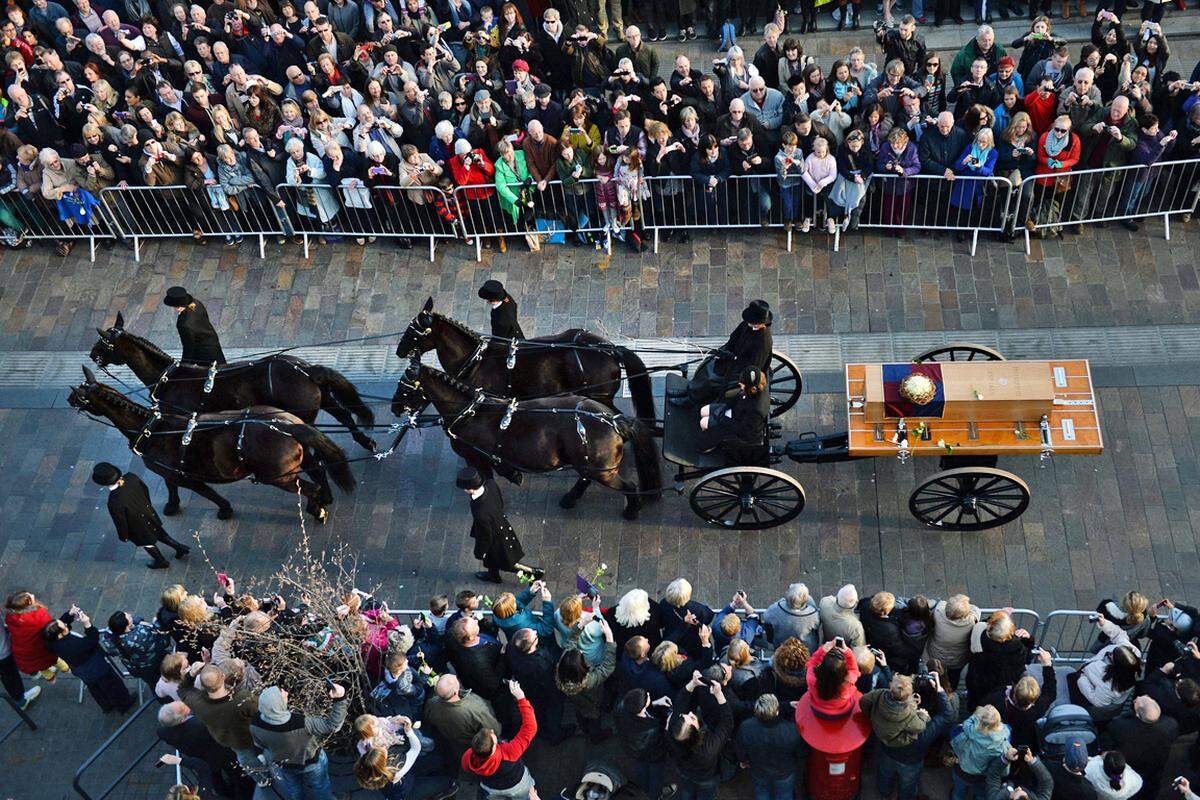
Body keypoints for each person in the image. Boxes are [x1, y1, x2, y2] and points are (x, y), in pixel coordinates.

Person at [250, 682, 349, 800]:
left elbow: (260, 744)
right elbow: (332, 726)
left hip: (284, 764)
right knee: (320, 787)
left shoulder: (255, 724)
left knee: (293, 788)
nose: (286, 693)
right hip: (310, 763)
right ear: (278, 704)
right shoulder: (302, 723)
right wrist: (340, 698)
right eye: (283, 694)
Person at [668, 300, 773, 408]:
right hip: (730, 358)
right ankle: (690, 389)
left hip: (739, 371)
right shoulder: (747, 325)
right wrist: (724, 352)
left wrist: (733, 360)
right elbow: (733, 338)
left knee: (711, 378)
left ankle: (692, 400)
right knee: (707, 365)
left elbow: (752, 366)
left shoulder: (763, 343)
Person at [92, 462, 190, 569]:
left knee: (147, 543)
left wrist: (124, 536)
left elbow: (120, 521)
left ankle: (161, 561)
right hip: (149, 513)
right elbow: (145, 491)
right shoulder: (131, 477)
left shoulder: (114, 501)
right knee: (160, 533)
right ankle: (179, 548)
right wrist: (147, 505)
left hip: (137, 525)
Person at [455, 468, 543, 584]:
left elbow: (486, 536)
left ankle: (533, 572)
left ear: (469, 489)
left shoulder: (480, 512)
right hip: (501, 524)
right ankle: (494, 576)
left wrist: (480, 552)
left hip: (496, 539)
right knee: (493, 560)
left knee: (505, 562)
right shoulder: (491, 484)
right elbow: (500, 503)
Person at [43, 605, 134, 713]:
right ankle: (124, 704)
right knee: (113, 685)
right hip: (97, 669)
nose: (66, 625)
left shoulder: (50, 641)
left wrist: (70, 614)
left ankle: (107, 706)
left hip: (80, 670)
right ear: (59, 635)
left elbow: (60, 625)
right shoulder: (75, 644)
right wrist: (87, 625)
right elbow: (92, 639)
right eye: (65, 627)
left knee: (95, 688)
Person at [461, 679, 539, 800]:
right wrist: (521, 699)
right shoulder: (509, 753)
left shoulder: (469, 756)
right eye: (493, 737)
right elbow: (530, 728)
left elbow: (466, 767)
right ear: (493, 748)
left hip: (491, 788)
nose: (493, 732)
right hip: (517, 786)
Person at [668, 670, 735, 800]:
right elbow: (727, 723)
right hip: (706, 778)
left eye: (685, 715)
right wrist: (719, 694)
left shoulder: (674, 733)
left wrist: (692, 684)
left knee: (686, 792)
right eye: (692, 719)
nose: (691, 714)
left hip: (684, 771)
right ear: (695, 734)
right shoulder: (708, 748)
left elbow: (680, 704)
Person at [736, 693, 803, 800]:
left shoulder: (746, 727)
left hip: (759, 770)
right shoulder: (792, 730)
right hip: (784, 772)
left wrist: (743, 760)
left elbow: (741, 749)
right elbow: (800, 753)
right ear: (777, 712)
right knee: (785, 795)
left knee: (761, 794)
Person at [698, 366, 770, 463]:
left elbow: (741, 429)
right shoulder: (755, 390)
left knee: (703, 422)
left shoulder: (756, 410)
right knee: (703, 411)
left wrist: (722, 418)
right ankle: (709, 432)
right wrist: (725, 410)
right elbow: (737, 399)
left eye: (743, 383)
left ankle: (709, 443)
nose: (740, 383)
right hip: (734, 413)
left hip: (738, 429)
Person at [950, 705, 1011, 800]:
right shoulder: (1004, 743)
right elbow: (1005, 771)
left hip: (963, 771)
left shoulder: (970, 732)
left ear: (979, 722)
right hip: (983, 777)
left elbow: (958, 737)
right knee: (981, 795)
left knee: (958, 793)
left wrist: (975, 715)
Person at [163, 285, 226, 366]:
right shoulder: (196, 303)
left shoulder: (183, 324)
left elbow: (188, 347)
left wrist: (184, 364)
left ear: (177, 307)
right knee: (222, 367)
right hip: (213, 342)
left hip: (203, 354)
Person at [762, 582, 821, 652]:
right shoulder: (813, 614)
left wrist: (782, 601)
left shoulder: (775, 610)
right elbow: (817, 625)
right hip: (806, 651)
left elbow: (766, 616)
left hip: (782, 650)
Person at [0, 616, 41, 711]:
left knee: (8, 671)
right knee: (9, 673)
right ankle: (21, 700)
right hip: (3, 652)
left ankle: (34, 671)